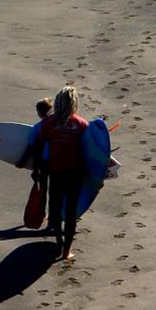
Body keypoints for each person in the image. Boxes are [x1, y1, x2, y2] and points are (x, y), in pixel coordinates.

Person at [28, 86, 89, 261]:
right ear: (74, 103)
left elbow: (39, 148)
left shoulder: (48, 123)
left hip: (55, 172)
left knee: (55, 209)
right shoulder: (81, 124)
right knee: (71, 213)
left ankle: (59, 241)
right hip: (75, 174)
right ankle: (65, 251)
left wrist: (36, 170)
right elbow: (89, 152)